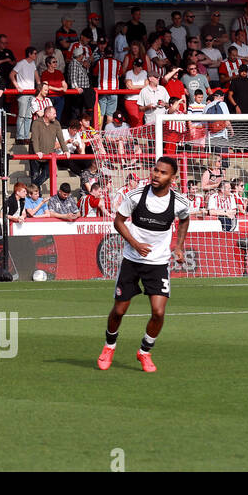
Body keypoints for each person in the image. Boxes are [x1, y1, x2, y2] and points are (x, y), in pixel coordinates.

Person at [97, 156, 190, 374]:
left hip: (158, 264)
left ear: (172, 178)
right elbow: (118, 221)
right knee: (119, 310)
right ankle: (109, 346)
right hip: (132, 260)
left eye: (163, 172)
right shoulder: (136, 196)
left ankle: (145, 351)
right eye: (155, 170)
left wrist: (178, 246)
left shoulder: (180, 202)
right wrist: (135, 243)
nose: (157, 175)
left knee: (158, 312)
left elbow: (185, 219)